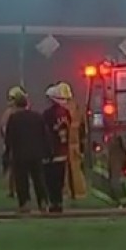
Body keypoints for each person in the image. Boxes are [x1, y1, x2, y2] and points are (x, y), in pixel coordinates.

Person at [4, 88, 49, 213]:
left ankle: (24, 203)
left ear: (16, 104)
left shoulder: (13, 118)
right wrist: (47, 151)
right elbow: (45, 135)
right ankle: (43, 202)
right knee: (39, 179)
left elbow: (9, 138)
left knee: (21, 180)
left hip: (20, 155)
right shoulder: (37, 116)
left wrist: (7, 153)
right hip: (36, 154)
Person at [41, 83, 74, 213]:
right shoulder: (66, 113)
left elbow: (45, 132)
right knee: (59, 180)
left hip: (50, 152)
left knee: (50, 180)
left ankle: (53, 203)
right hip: (62, 151)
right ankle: (59, 202)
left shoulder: (47, 114)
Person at [0, 86, 25, 199]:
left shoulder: (10, 113)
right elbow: (4, 129)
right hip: (14, 144)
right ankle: (13, 190)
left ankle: (15, 190)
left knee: (16, 169)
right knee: (13, 168)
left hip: (16, 144)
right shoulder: (9, 113)